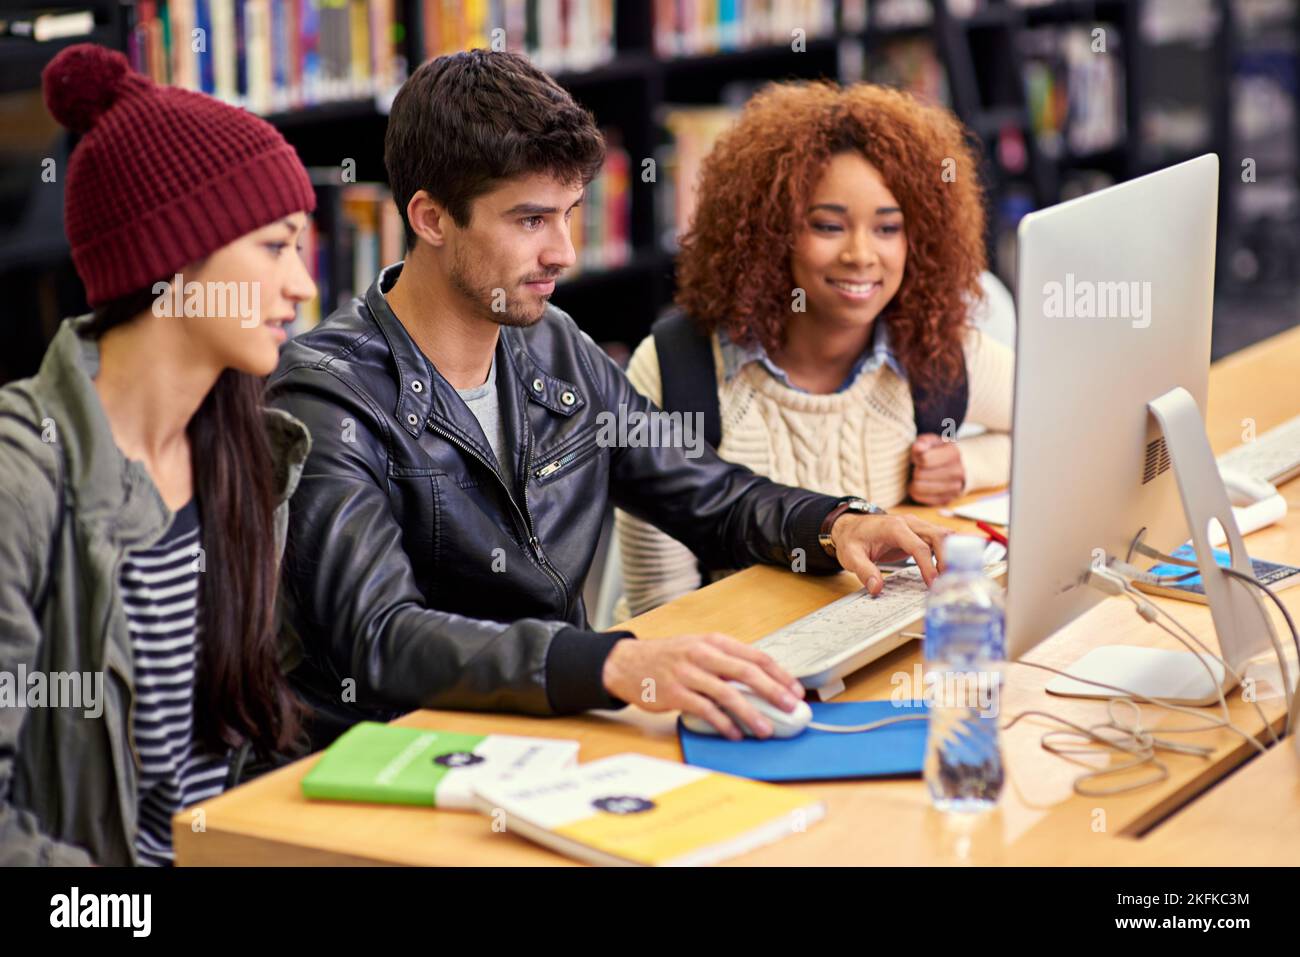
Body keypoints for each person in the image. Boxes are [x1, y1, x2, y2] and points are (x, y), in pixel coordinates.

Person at [269, 50, 954, 748]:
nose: (564, 252)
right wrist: (615, 661)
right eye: (531, 220)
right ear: (432, 218)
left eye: (570, 213)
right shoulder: (327, 392)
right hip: (387, 763)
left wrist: (837, 526)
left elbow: (706, 492)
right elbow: (381, 638)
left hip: (545, 733)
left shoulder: (554, 347)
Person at [0, 44, 317, 865]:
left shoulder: (248, 456)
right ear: (176, 260)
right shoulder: (20, 479)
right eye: (276, 247)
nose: (303, 286)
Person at [615, 81, 1014, 617]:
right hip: (735, 663)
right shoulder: (677, 368)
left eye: (889, 228)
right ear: (768, 232)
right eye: (828, 225)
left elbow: (1064, 427)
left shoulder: (934, 345)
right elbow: (660, 609)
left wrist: (969, 463)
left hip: (883, 642)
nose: (860, 254)